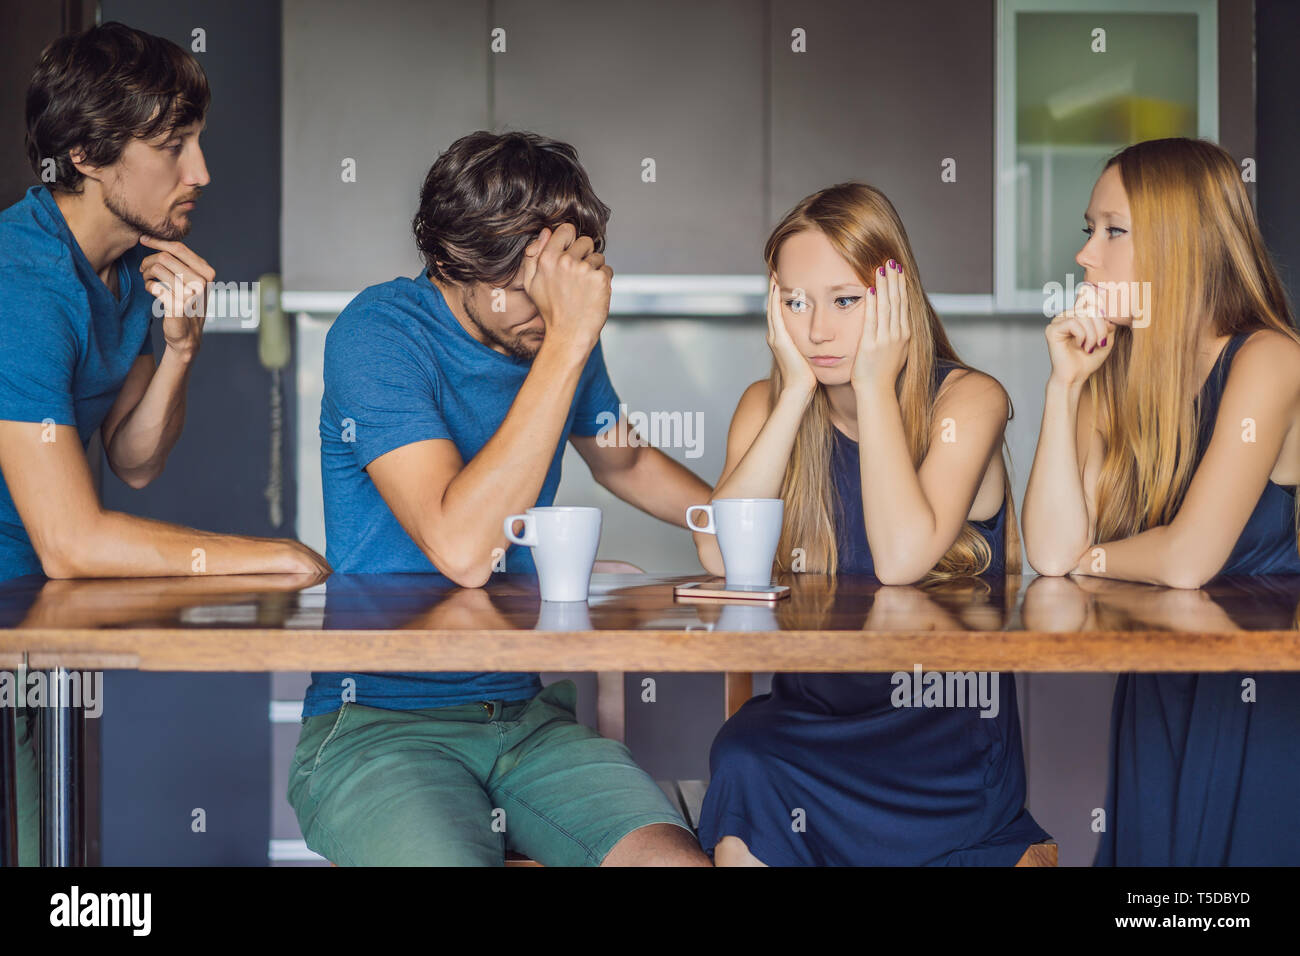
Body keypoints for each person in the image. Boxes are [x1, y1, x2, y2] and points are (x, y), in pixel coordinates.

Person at [289, 130, 712, 866]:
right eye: (528, 290)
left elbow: (625, 457)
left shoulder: (549, 333)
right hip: (376, 722)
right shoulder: (378, 333)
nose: (549, 312)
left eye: (564, 292)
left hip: (524, 717)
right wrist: (569, 340)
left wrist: (731, 523)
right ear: (452, 264)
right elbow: (462, 548)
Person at [0, 23, 329, 866]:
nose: (202, 173)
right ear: (85, 152)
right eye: (173, 146)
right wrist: (270, 559)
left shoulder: (117, 270)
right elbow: (73, 541)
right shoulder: (24, 284)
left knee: (49, 849)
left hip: (31, 615)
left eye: (199, 141)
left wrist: (178, 348)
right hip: (24, 604)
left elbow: (134, 460)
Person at [692, 182, 1049, 865]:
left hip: (943, 744)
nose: (817, 329)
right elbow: (717, 555)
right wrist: (795, 392)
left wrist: (875, 388)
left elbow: (901, 557)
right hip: (814, 722)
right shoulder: (767, 406)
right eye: (796, 302)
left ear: (894, 300)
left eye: (845, 301)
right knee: (743, 757)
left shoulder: (970, 400)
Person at [1021, 137, 1300, 865]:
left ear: (1183, 242)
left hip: (1257, 697)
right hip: (1157, 677)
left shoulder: (1270, 358)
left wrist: (1097, 557)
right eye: (1090, 230)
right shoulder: (1120, 367)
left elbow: (1187, 559)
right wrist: (1064, 388)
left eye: (1113, 231)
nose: (1086, 255)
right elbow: (1050, 554)